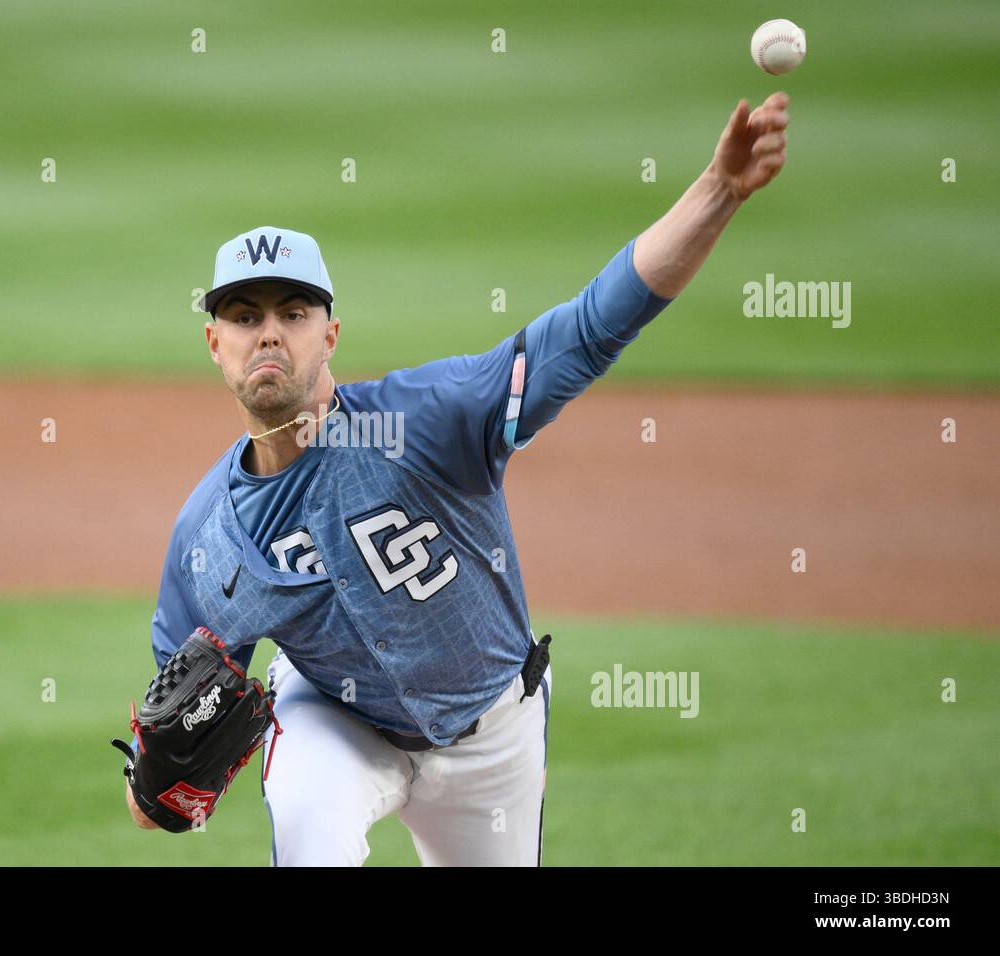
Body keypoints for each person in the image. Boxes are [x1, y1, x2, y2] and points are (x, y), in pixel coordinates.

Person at [126, 93, 791, 865]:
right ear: (216, 343)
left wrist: (717, 191)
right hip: (335, 723)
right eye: (243, 315)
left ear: (330, 333)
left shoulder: (431, 420)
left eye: (293, 310)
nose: (268, 330)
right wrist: (155, 788)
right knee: (309, 822)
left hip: (493, 736)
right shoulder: (208, 537)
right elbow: (173, 740)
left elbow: (589, 327)